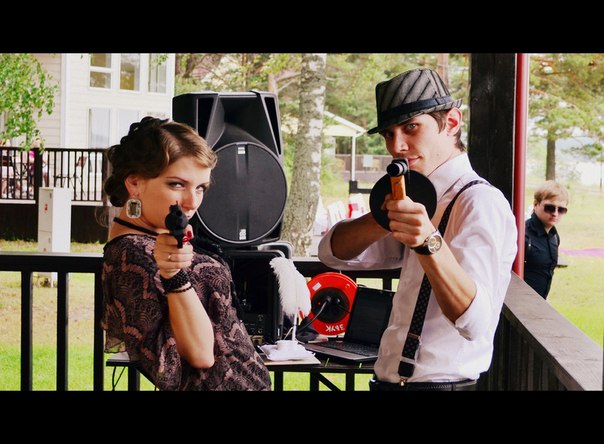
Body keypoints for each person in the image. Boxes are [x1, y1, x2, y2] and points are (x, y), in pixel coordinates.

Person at [318, 68, 518, 391]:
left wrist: (429, 242)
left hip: (441, 386)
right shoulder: (414, 195)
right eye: (388, 134)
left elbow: (475, 321)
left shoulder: (480, 202)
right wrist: (381, 217)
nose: (397, 146)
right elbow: (332, 253)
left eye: (411, 127)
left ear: (451, 122)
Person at [101, 116, 271, 391]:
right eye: (177, 184)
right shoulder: (132, 253)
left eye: (200, 187)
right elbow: (201, 354)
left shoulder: (155, 238)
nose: (192, 202)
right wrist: (174, 275)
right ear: (134, 183)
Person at [524, 180, 569, 300]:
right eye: (549, 208)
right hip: (519, 304)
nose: (555, 213)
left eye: (561, 210)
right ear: (536, 204)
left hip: (540, 303)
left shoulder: (554, 236)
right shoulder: (522, 235)